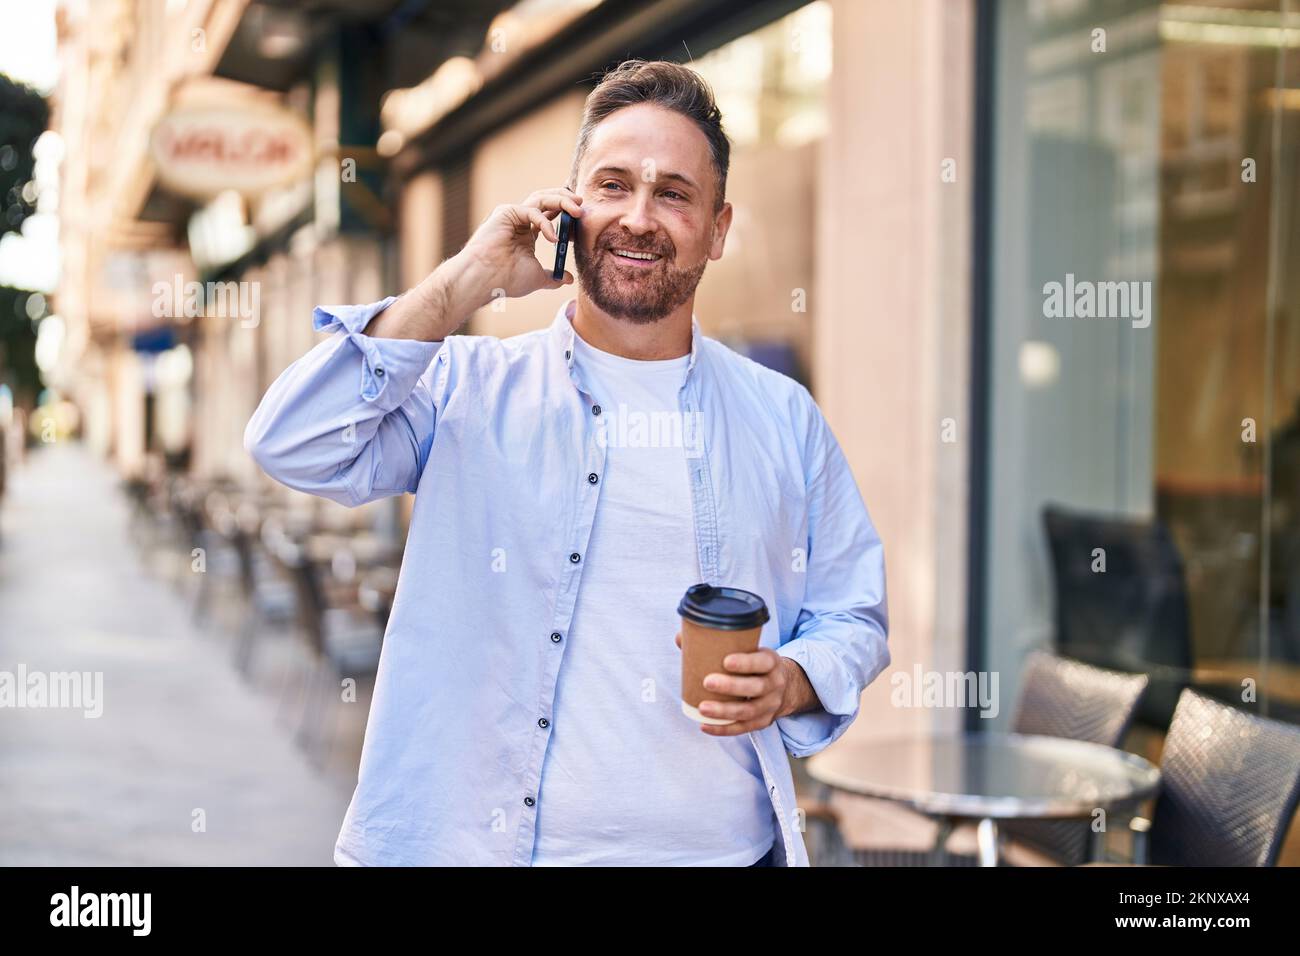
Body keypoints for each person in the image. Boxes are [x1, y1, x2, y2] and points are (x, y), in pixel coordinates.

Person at [245, 59, 889, 867]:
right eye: (613, 186)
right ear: (568, 207)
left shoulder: (783, 417)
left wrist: (794, 679)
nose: (640, 218)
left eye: (675, 194)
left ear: (718, 229)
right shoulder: (467, 388)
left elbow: (854, 612)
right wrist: (465, 283)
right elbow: (290, 440)